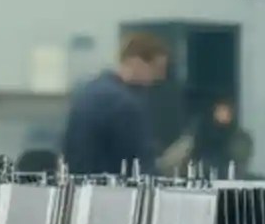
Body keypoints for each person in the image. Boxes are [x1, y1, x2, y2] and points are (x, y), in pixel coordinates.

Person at [62, 32, 178, 175]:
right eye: (157, 69)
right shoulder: (125, 104)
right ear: (136, 62)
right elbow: (141, 164)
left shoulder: (87, 92)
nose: (159, 77)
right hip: (112, 191)